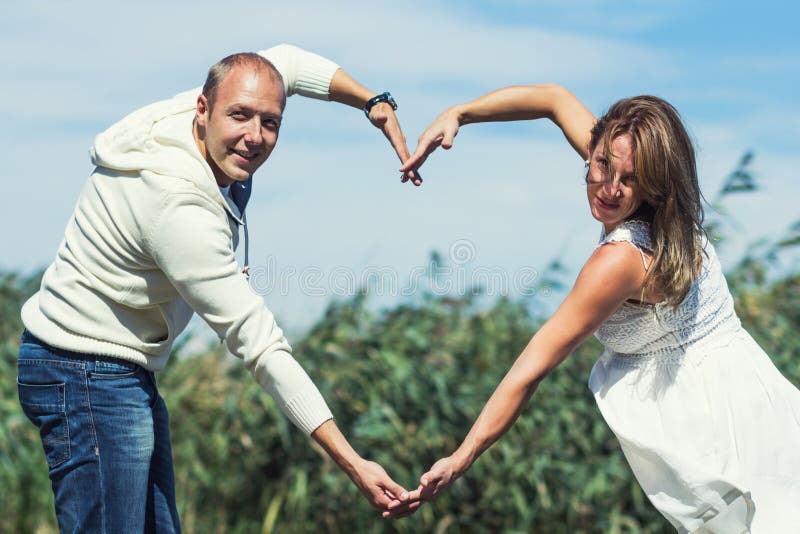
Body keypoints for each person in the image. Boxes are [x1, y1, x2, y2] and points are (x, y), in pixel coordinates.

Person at [17, 44, 421, 532]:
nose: (254, 137)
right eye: (240, 117)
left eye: (270, 122)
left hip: (118, 369)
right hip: (84, 371)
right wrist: (353, 461)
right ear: (203, 109)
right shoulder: (175, 205)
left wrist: (371, 101)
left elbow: (286, 63)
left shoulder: (224, 95)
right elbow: (261, 345)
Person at [388, 85, 800, 531]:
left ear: (657, 183)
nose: (609, 188)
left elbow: (532, 366)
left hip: (714, 421)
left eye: (632, 180)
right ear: (597, 145)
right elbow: (552, 99)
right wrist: (459, 112)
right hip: (751, 386)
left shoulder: (619, 262)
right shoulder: (652, 191)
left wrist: (461, 457)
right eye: (602, 164)